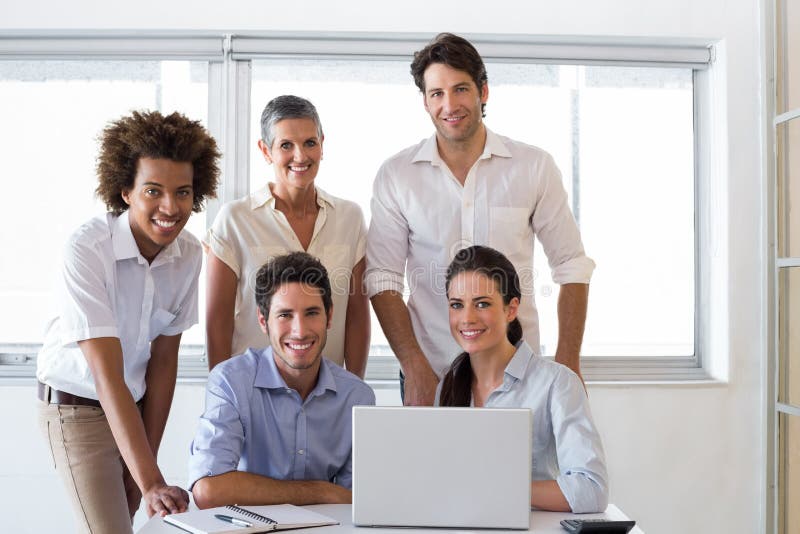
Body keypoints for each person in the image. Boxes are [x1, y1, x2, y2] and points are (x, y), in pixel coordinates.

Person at [365, 33, 595, 405]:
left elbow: (571, 265)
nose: (449, 105)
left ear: (483, 92)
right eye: (437, 93)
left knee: (523, 450)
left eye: (460, 89)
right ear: (425, 101)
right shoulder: (396, 175)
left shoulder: (533, 167)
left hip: (520, 375)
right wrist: (414, 366)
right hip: (431, 371)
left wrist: (568, 363)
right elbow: (382, 278)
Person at [36, 110, 221, 533]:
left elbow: (164, 363)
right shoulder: (87, 249)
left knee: (132, 514)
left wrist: (145, 471)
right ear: (126, 191)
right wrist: (151, 480)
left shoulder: (189, 255)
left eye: (183, 192)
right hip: (77, 409)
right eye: (153, 191)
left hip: (133, 410)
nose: (170, 207)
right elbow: (107, 376)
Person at [189, 252, 376, 509]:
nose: (299, 331)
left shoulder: (357, 397)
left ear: (329, 316)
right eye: (285, 315)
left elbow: (356, 502)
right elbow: (209, 490)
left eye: (312, 313)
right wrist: (321, 491)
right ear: (263, 321)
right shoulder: (230, 382)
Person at [205, 95, 369, 376]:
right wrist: (220, 392)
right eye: (286, 145)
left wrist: (354, 389)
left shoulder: (349, 218)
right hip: (251, 389)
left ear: (322, 144)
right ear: (265, 150)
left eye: (310, 143)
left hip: (327, 391)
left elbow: (356, 317)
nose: (300, 156)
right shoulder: (234, 220)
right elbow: (218, 322)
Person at [437, 245, 608, 513]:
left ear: (511, 309)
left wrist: (502, 488)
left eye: (482, 304)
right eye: (457, 305)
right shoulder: (448, 385)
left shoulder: (557, 383)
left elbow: (592, 490)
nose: (467, 318)